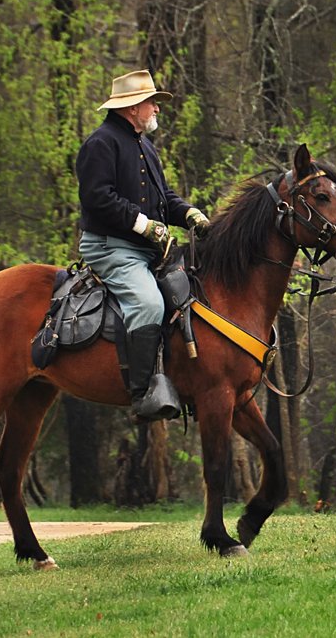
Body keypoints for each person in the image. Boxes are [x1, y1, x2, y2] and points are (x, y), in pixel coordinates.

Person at [74, 69, 210, 422]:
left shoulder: (144, 145)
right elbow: (97, 198)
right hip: (110, 248)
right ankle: (143, 394)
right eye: (152, 102)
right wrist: (144, 225)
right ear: (133, 107)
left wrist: (190, 213)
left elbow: (164, 197)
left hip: (144, 250)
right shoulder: (100, 143)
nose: (157, 109)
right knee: (149, 303)